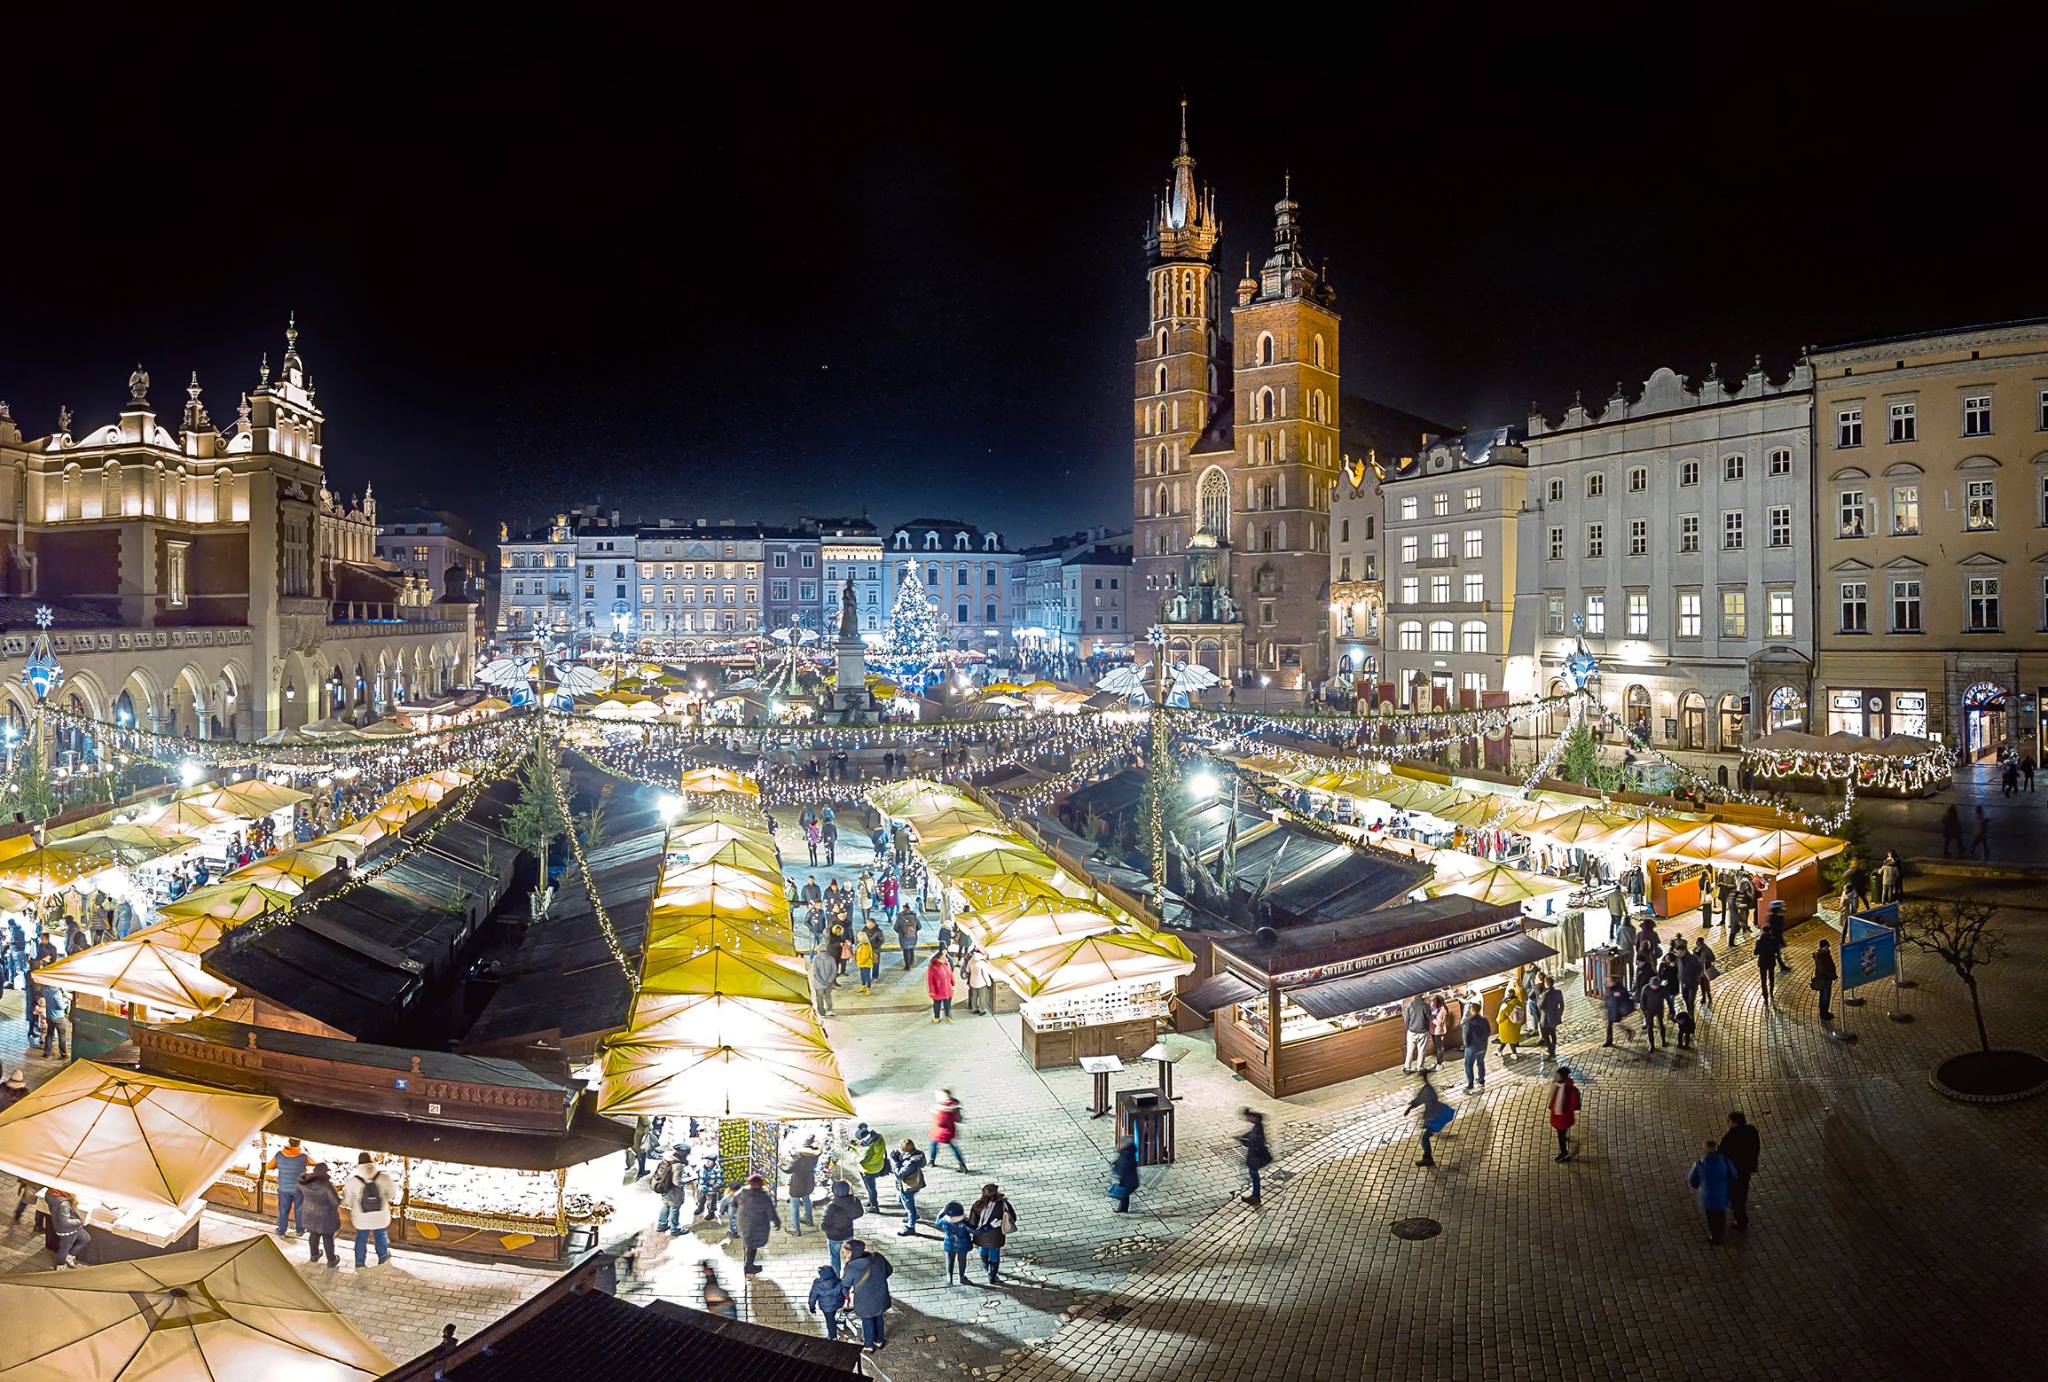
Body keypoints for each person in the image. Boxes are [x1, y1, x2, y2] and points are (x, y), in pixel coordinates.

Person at [841, 1238, 894, 1353]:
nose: (844, 1254)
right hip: (881, 1295)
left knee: (867, 1321)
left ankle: (869, 1345)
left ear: (851, 1253)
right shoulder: (878, 1257)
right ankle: (879, 1341)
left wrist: (846, 1295)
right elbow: (889, 1270)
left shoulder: (851, 1267)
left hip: (865, 1300)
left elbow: (845, 1285)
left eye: (845, 1252)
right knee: (879, 1317)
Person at [343, 1153, 396, 1268]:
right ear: (373, 1162)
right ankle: (382, 1256)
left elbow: (347, 1200)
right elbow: (392, 1195)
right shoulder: (384, 1177)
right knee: (380, 1234)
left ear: (359, 1164)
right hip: (380, 1215)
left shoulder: (353, 1180)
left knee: (361, 1237)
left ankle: (360, 1262)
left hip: (362, 1216)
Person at [1688, 1138, 1737, 1245]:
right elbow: (1733, 1175)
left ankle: (1714, 1236)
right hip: (1721, 1195)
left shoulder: (1699, 1164)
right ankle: (1720, 1233)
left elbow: (1692, 1180)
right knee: (1720, 1215)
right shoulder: (1724, 1161)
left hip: (1707, 1197)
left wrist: (1700, 1186)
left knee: (1711, 1217)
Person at [966, 1182, 1015, 1285]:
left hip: (981, 1236)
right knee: (994, 1254)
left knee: (983, 1251)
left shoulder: (977, 1206)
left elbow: (972, 1224)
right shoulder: (1003, 1204)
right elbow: (1013, 1217)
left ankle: (985, 1265)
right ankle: (992, 1275)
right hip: (996, 1236)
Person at [1720, 1112, 1761, 1231]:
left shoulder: (1731, 1137)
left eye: (1729, 1121)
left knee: (1735, 1197)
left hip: (1734, 1171)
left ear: (1734, 1122)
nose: (1728, 1124)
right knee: (1742, 1192)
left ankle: (1741, 1220)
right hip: (1747, 1169)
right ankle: (1740, 1217)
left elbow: (1723, 1153)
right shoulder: (1751, 1131)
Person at [299, 1162, 342, 1267]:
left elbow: (299, 1191)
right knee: (327, 1237)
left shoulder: (304, 1181)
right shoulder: (327, 1186)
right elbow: (335, 1202)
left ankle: (314, 1255)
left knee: (313, 1233)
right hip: (325, 1215)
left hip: (309, 1212)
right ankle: (331, 1260)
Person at [731, 1173, 776, 1274]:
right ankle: (749, 1266)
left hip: (743, 1224)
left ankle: (749, 1264)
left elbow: (734, 1203)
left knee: (749, 1244)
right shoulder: (763, 1196)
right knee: (752, 1247)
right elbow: (771, 1211)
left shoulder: (742, 1192)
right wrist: (776, 1221)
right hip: (756, 1226)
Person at [1406, 1072, 1452, 1168]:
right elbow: (1420, 1099)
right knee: (1426, 1137)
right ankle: (1427, 1158)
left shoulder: (1427, 1090)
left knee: (1424, 1138)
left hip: (1435, 1118)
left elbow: (1419, 1099)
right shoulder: (1429, 1088)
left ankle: (1428, 1158)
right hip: (1438, 1114)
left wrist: (1409, 1108)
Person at [821, 1178, 866, 1274]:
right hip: (848, 1233)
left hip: (834, 1236)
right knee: (850, 1256)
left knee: (834, 1256)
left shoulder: (832, 1206)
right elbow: (860, 1213)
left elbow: (824, 1225)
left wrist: (828, 1229)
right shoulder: (854, 1201)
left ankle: (836, 1277)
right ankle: (850, 1275)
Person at [270, 1137, 310, 1237]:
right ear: (299, 1144)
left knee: (283, 1210)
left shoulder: (279, 1155)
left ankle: (281, 1231)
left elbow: (269, 1166)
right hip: (299, 1189)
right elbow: (315, 1163)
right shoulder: (303, 1157)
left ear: (289, 1143)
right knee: (299, 1209)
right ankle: (300, 1230)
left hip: (284, 1188)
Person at [889, 1141, 927, 1235]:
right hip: (907, 1185)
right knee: (900, 1200)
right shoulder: (914, 1154)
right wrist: (898, 1157)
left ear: (905, 1149)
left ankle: (911, 1227)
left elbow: (899, 1174)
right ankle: (913, 1216)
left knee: (910, 1208)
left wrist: (895, 1161)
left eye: (900, 1147)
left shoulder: (911, 1163)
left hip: (908, 1187)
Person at [46, 1187, 89, 1268]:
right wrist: (79, 1221)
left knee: (85, 1238)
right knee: (64, 1248)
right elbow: (64, 1222)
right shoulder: (64, 1204)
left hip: (69, 1227)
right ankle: (61, 1265)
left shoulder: (52, 1194)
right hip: (67, 1229)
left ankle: (69, 1256)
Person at [784, 1136, 819, 1234]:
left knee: (794, 1205)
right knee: (806, 1199)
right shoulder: (815, 1156)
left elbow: (788, 1169)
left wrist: (781, 1164)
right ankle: (809, 1219)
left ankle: (795, 1228)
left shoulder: (800, 1158)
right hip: (809, 1181)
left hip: (797, 1183)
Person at [1236, 1108, 1271, 1206]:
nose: (1248, 1119)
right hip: (1255, 1158)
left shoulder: (1257, 1129)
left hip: (1255, 1158)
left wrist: (1244, 1140)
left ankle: (1256, 1196)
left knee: (1254, 1175)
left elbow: (1254, 1142)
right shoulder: (1257, 1127)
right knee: (1254, 1175)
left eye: (1249, 1117)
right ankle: (1255, 1195)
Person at [654, 1144, 690, 1234]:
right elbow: (677, 1182)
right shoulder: (678, 1165)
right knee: (674, 1208)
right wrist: (689, 1179)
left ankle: (661, 1225)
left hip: (664, 1187)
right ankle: (675, 1229)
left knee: (666, 1206)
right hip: (674, 1191)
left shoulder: (667, 1159)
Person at [853, 1124, 890, 1213]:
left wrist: (852, 1150)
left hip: (868, 1169)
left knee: (871, 1188)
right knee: (871, 1187)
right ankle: (871, 1200)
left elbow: (860, 1160)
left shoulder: (868, 1148)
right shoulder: (878, 1137)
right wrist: (856, 1145)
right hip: (878, 1164)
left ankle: (874, 1206)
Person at [929, 1090, 967, 1171]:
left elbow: (939, 1122)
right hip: (950, 1130)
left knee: (933, 1144)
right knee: (953, 1147)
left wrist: (935, 1111)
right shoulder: (954, 1106)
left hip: (939, 1131)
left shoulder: (940, 1108)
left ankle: (932, 1160)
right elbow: (959, 1119)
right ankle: (962, 1164)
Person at [1549, 1067, 1581, 1162]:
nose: (1555, 1076)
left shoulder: (1566, 1089)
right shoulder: (1559, 1085)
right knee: (1562, 1132)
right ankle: (1564, 1137)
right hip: (1563, 1117)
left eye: (1557, 1075)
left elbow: (1569, 1105)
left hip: (1562, 1117)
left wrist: (1563, 1110)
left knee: (1560, 1136)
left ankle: (1564, 1153)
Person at [937, 1200, 974, 1284]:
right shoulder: (965, 1223)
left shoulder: (944, 1220)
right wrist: (989, 1226)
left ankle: (949, 1277)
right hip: (963, 1246)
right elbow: (976, 1231)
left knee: (949, 1260)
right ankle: (962, 1277)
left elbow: (937, 1223)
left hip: (949, 1244)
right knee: (962, 1261)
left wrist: (942, 1212)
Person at [808, 1263, 845, 1337]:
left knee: (830, 1321)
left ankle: (832, 1336)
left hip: (826, 1307)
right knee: (833, 1313)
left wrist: (812, 1308)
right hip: (838, 1303)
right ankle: (836, 1321)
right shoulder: (838, 1281)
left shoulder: (817, 1284)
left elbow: (812, 1298)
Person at [1461, 1001, 1491, 1092]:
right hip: (1483, 1046)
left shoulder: (1468, 1022)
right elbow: (1489, 1032)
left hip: (1472, 1048)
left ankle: (1470, 1084)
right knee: (1480, 1062)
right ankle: (1481, 1080)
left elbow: (1466, 1036)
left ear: (1471, 1010)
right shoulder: (1485, 1020)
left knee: (1468, 1065)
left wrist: (1466, 1045)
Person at [1401, 993, 1432, 1073]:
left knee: (1410, 1050)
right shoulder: (1426, 1006)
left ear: (1414, 996)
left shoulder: (1410, 1006)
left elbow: (1406, 1020)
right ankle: (1420, 1067)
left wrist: (1408, 1028)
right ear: (1422, 996)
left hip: (1412, 1031)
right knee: (1422, 1050)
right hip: (1423, 1031)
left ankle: (1407, 1067)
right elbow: (1429, 1018)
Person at [1636, 970, 1667, 1050]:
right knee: (1650, 1027)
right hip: (1649, 1011)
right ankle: (1652, 1045)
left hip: (1659, 1009)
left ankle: (1663, 1040)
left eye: (1656, 986)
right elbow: (1642, 1000)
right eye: (1653, 986)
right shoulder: (1646, 988)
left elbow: (1667, 998)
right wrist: (1644, 1011)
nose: (1655, 987)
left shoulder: (1662, 989)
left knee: (1661, 1024)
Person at [1107, 1137, 1139, 1213]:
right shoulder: (1128, 1153)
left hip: (1128, 1181)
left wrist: (1118, 1174)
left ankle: (1122, 1209)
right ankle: (1122, 1209)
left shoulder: (1126, 1155)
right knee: (1125, 1195)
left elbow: (1123, 1166)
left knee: (1123, 1194)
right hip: (1130, 1180)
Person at [1537, 979, 1565, 1064]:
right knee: (1553, 1034)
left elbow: (1540, 1005)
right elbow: (1562, 1005)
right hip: (1555, 1017)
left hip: (1546, 1018)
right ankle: (1553, 1050)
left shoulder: (1546, 994)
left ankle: (1552, 1052)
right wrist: (1559, 1014)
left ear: (1546, 984)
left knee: (1545, 1035)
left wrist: (1540, 998)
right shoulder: (1558, 992)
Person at [1603, 975, 1635, 1046]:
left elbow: (1625, 996)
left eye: (1609, 981)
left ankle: (1628, 1031)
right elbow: (1607, 997)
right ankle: (1609, 1041)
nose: (1607, 983)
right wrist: (1605, 1004)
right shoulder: (1609, 988)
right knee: (1610, 1025)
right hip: (1611, 1009)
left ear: (1613, 982)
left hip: (1617, 1011)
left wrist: (1619, 995)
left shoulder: (1620, 989)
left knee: (1616, 1023)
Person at [809, 939, 839, 1016]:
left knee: (819, 997)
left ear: (819, 950)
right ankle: (829, 1010)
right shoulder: (831, 958)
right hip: (828, 983)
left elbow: (815, 973)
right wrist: (829, 981)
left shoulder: (815, 959)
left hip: (818, 983)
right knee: (828, 996)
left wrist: (822, 981)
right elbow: (834, 970)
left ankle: (821, 1012)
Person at [1755, 921, 1783, 1004]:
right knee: (1771, 977)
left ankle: (1765, 997)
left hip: (1762, 962)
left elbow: (1755, 952)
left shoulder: (1760, 941)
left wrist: (1757, 945)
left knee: (1763, 981)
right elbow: (1777, 951)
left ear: (1763, 931)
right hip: (1771, 961)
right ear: (1769, 931)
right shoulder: (1774, 940)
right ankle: (1771, 992)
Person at [1812, 939, 1838, 1025]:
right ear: (1824, 946)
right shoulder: (1821, 956)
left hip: (1826, 979)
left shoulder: (1825, 954)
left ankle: (1824, 1012)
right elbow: (1823, 969)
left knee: (1825, 995)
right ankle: (1824, 1013)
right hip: (1825, 979)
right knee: (1825, 996)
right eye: (1827, 946)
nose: (1828, 947)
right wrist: (1832, 975)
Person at [926, 952, 957, 1023]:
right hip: (938, 990)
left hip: (947, 989)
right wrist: (932, 991)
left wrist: (953, 984)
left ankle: (948, 1016)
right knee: (937, 1004)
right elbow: (930, 980)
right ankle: (936, 1017)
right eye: (944, 955)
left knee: (947, 1004)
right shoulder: (933, 967)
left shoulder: (947, 964)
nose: (946, 957)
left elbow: (951, 975)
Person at [39, 984, 68, 1060]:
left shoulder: (45, 989)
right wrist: (66, 1003)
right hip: (58, 1017)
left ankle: (47, 1052)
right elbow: (61, 1006)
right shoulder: (56, 992)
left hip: (49, 1016)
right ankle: (63, 1054)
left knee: (49, 1034)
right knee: (62, 1036)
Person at [965, 948, 994, 1016]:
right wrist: (989, 984)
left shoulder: (971, 960)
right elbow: (985, 975)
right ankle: (981, 1010)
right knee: (982, 997)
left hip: (973, 982)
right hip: (981, 983)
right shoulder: (982, 963)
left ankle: (974, 1009)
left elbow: (967, 970)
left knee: (974, 996)